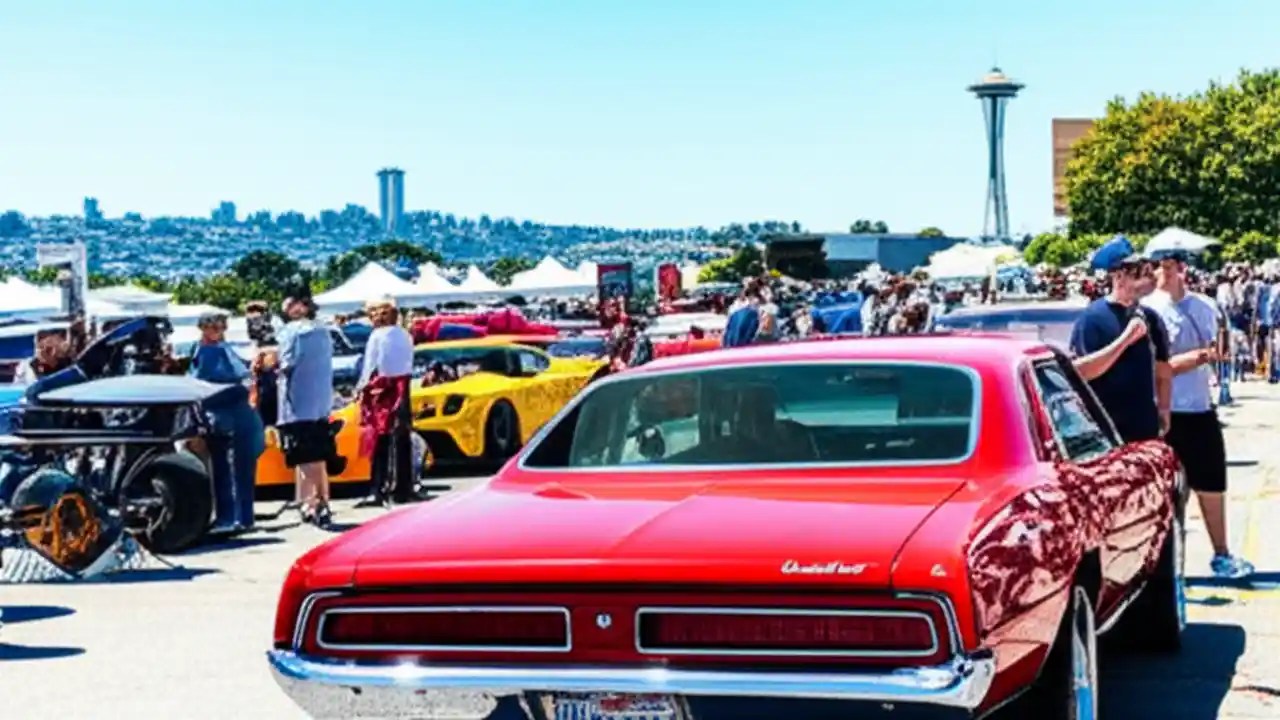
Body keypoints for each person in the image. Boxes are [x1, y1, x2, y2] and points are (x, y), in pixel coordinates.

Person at [1143, 251, 1255, 579]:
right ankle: (1169, 564)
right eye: (1157, 268)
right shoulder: (1150, 310)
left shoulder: (1204, 306)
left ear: (1181, 269)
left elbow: (1220, 347)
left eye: (1166, 267)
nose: (1160, 274)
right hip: (1167, 411)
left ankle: (1221, 554)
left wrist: (1215, 352)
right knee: (1169, 494)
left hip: (1200, 408)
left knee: (1212, 484)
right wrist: (1198, 357)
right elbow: (1157, 369)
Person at [1069, 236, 1172, 443]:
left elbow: (1163, 368)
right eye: (1135, 272)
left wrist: (1164, 408)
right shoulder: (1092, 319)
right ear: (1118, 277)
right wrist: (1126, 339)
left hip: (1145, 429)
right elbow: (1080, 372)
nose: (1142, 278)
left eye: (1143, 270)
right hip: (1108, 431)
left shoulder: (1150, 317)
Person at [188, 313, 264, 534]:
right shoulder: (208, 350)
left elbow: (245, 374)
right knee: (229, 466)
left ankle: (232, 518)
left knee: (230, 466)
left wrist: (252, 390)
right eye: (213, 327)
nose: (217, 331)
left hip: (228, 412)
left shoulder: (216, 350)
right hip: (223, 412)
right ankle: (237, 517)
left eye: (220, 327)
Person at [276, 296, 335, 527]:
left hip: (298, 404)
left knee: (306, 457)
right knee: (317, 457)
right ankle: (311, 500)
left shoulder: (292, 333)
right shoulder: (324, 331)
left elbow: (286, 364)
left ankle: (317, 502)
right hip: (320, 404)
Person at [356, 298, 415, 506]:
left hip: (383, 390)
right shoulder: (406, 335)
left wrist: (361, 387)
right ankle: (403, 487)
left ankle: (378, 487)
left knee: (380, 439)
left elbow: (370, 365)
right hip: (403, 388)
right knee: (402, 438)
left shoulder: (378, 336)